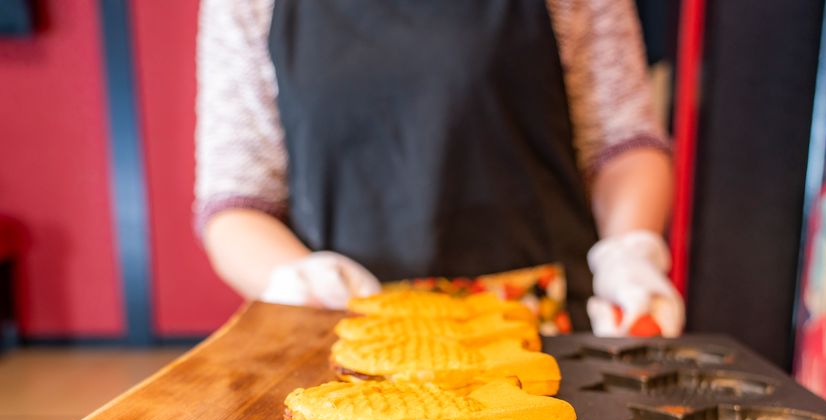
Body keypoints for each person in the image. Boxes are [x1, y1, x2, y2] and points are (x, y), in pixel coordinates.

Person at [195, 0, 683, 336]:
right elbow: (236, 201)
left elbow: (621, 139)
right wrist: (295, 278)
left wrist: (630, 250)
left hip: (546, 333)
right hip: (345, 340)